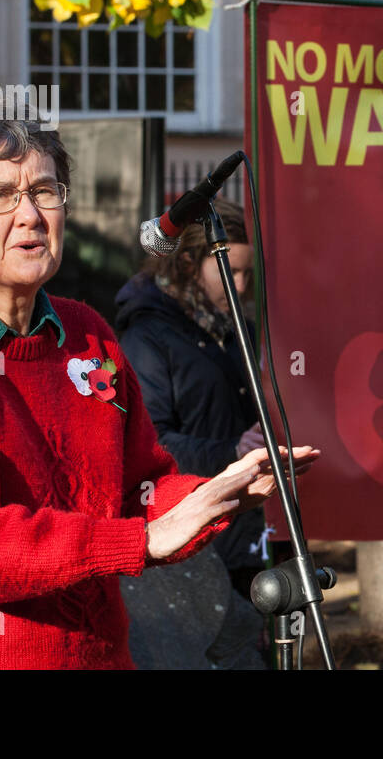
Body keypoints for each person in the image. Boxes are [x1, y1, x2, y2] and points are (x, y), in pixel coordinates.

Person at [0, 98, 319, 668]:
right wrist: (140, 541)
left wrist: (214, 495)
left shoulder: (86, 332)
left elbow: (139, 489)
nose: (29, 215)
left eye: (45, 192)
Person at [114, 198, 273, 666]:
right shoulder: (147, 337)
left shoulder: (230, 327)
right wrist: (230, 450)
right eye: (229, 273)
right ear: (187, 264)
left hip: (245, 531)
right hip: (193, 536)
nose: (240, 287)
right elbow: (150, 443)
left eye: (246, 274)